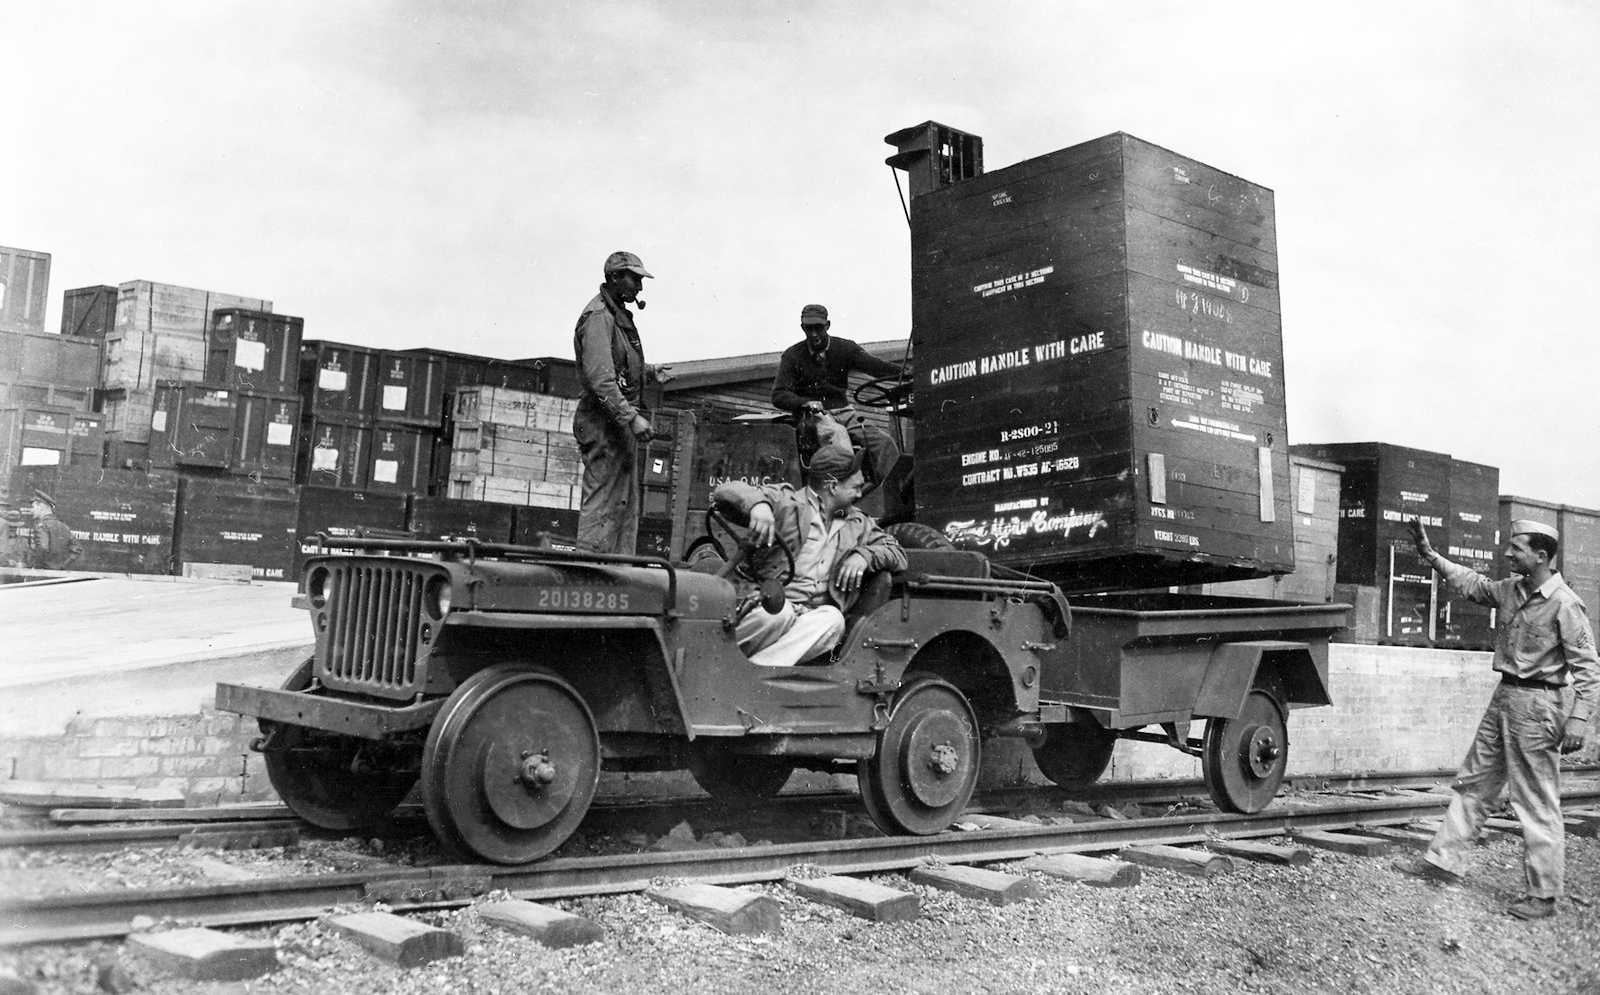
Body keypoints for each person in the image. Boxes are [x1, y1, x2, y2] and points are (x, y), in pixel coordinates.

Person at [1394, 517, 1599, 920]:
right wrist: (1431, 555)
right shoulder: (1512, 589)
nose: (1507, 553)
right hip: (1505, 698)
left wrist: (1579, 720)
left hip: (1540, 707)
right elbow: (1471, 583)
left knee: (1536, 801)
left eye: (1516, 548)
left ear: (1541, 556)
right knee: (1474, 784)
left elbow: (1589, 669)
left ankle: (1543, 895)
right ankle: (1442, 862)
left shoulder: (1565, 603)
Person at [711, 441, 907, 667]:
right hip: (767, 604)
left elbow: (897, 552)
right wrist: (758, 506)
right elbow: (726, 491)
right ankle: (721, 663)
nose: (860, 493)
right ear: (832, 486)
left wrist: (865, 555)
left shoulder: (857, 523)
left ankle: (758, 673)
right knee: (776, 614)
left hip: (809, 618)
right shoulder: (787, 503)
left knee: (833, 620)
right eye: (855, 487)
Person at [572, 251, 672, 555]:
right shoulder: (599, 317)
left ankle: (617, 580)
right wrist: (631, 417)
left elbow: (618, 366)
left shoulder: (616, 315)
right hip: (604, 424)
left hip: (615, 426)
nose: (639, 287)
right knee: (603, 503)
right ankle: (588, 578)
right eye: (635, 278)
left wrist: (649, 372)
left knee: (623, 508)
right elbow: (600, 380)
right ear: (614, 277)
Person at [771, 304, 908, 488]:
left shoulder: (845, 348)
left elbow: (876, 367)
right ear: (802, 327)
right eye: (808, 328)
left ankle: (897, 492)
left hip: (845, 413)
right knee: (838, 434)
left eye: (818, 328)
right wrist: (805, 403)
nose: (813, 334)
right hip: (814, 417)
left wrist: (908, 374)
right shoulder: (792, 356)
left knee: (884, 442)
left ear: (827, 325)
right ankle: (849, 491)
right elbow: (778, 394)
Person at [27, 490, 82, 570]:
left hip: (41, 573)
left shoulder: (41, 525)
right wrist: (63, 565)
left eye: (33, 507)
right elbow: (77, 549)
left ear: (41, 508)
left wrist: (35, 565)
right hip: (57, 573)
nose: (31, 510)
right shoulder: (64, 526)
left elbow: (43, 547)